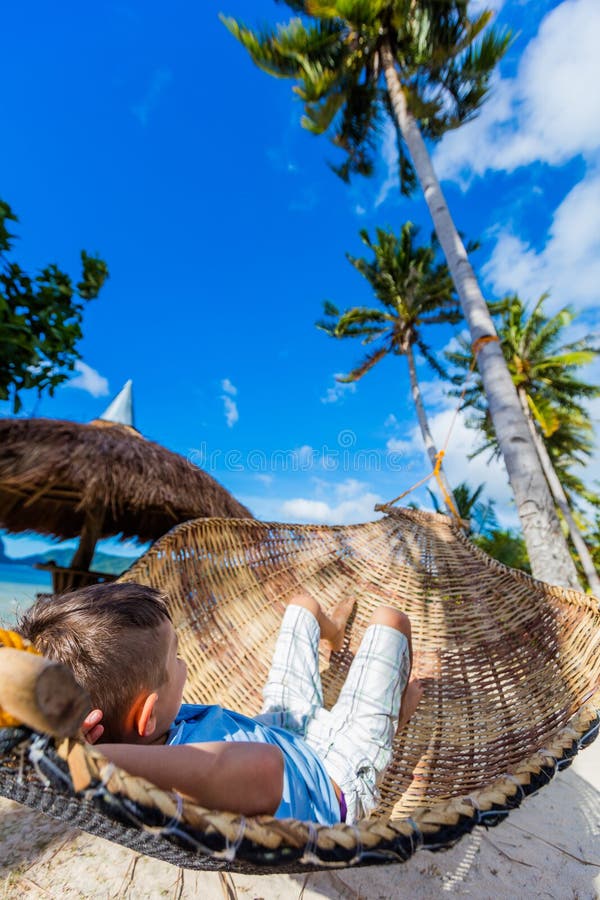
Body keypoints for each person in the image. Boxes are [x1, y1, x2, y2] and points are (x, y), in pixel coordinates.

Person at [18, 582, 422, 825]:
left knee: (302, 605)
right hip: (335, 778)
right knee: (391, 620)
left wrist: (67, 741)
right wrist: (93, 762)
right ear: (147, 715)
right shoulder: (185, 780)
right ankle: (392, 719)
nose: (184, 662)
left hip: (276, 728)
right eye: (175, 657)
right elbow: (265, 768)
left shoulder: (153, 725)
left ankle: (332, 636)